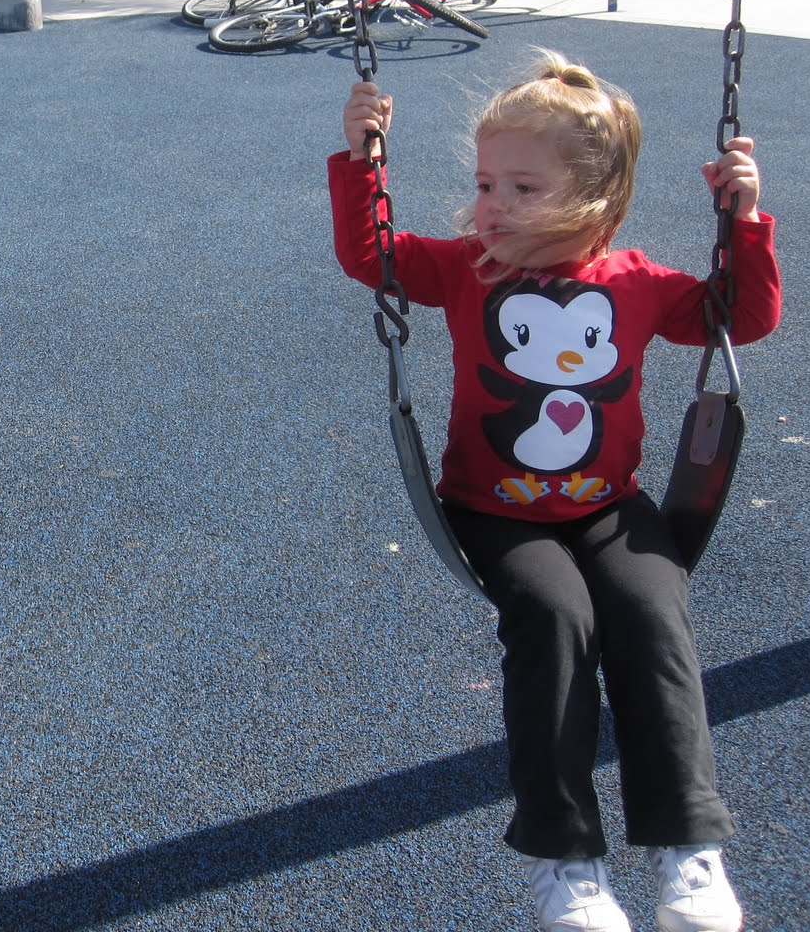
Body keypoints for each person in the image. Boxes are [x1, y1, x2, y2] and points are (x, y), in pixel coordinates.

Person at [331, 53, 778, 932]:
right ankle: (565, 859)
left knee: (654, 618)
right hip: (495, 514)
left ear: (597, 199)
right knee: (556, 621)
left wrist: (745, 218)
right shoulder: (468, 267)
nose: (491, 202)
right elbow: (372, 256)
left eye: (522, 187)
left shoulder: (640, 286)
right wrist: (362, 162)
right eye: (486, 180)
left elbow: (743, 317)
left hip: (612, 506)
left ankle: (688, 847)